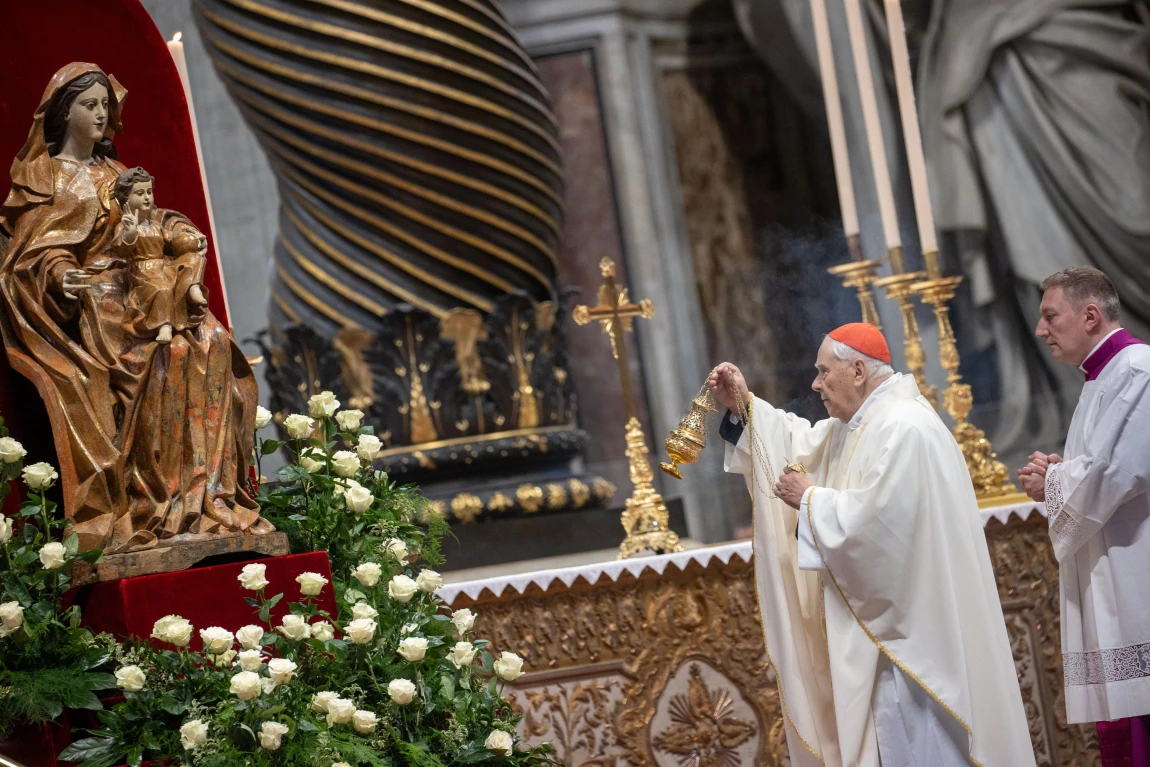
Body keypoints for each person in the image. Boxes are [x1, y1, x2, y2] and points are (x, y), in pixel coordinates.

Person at [709, 323, 1035, 767]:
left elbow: (885, 532)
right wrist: (745, 408)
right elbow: (797, 445)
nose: (815, 383)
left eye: (824, 372)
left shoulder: (905, 428)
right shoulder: (859, 425)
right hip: (882, 644)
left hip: (911, 651)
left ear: (858, 370)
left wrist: (810, 499)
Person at [0, 63, 270, 553]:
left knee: (208, 342)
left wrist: (181, 232)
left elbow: (154, 219)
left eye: (105, 104)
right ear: (64, 112)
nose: (101, 114)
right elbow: (34, 252)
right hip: (97, 301)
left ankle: (207, 499)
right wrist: (62, 274)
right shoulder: (46, 178)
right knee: (161, 359)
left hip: (146, 287)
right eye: (89, 105)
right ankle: (152, 502)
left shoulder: (117, 172)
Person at [1017, 266, 1150, 764]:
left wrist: (1053, 482)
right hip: (1115, 571)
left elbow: (1119, 473)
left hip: (1137, 575)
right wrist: (1059, 471)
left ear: (1090, 315)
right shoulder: (1103, 378)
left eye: (1050, 316)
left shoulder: (1137, 371)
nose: (1040, 329)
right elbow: (1099, 467)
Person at [108, 166, 208, 344]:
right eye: (139, 193)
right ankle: (164, 325)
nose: (146, 197)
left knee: (195, 258)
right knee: (162, 288)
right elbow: (121, 250)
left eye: (149, 192)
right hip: (143, 272)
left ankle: (193, 287)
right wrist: (130, 233)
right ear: (125, 200)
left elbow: (171, 240)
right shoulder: (125, 227)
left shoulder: (154, 225)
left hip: (163, 266)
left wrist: (189, 239)